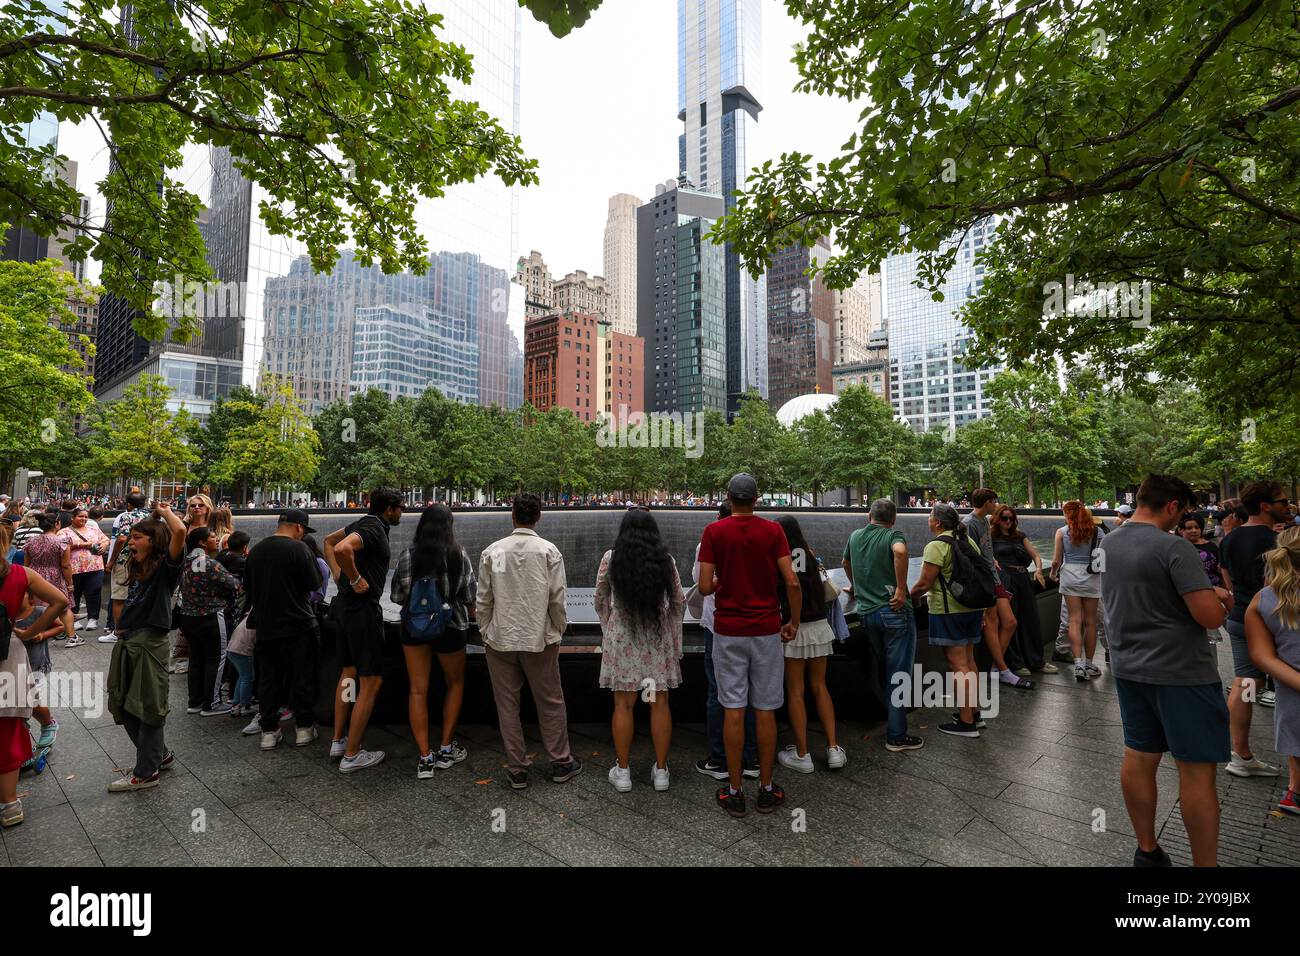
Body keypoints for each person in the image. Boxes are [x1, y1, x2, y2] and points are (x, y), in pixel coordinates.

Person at [1100, 474, 1233, 867]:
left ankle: (1147, 851)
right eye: (1185, 511)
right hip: (1182, 674)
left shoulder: (1109, 541)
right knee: (1195, 773)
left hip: (1128, 670)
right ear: (1173, 506)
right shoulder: (1174, 547)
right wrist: (1221, 598)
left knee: (1140, 755)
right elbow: (1208, 617)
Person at [697, 473, 799, 817]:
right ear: (757, 499)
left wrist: (726, 578)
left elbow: (706, 587)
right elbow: (792, 581)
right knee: (766, 708)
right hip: (767, 630)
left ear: (728, 497)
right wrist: (793, 621)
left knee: (733, 708)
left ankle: (735, 790)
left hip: (728, 632)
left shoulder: (714, 532)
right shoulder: (774, 532)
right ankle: (767, 789)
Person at [477, 492, 580, 790]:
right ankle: (561, 762)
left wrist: (486, 630)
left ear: (512, 515)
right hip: (540, 638)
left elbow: (483, 599)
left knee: (507, 705)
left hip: (500, 639)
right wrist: (556, 630)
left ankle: (517, 768)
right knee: (550, 700)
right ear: (538, 517)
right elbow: (557, 599)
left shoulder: (493, 552)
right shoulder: (549, 551)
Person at [594, 508, 684, 792]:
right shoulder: (665, 561)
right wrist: (674, 633)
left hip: (623, 639)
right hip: (656, 639)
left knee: (623, 705)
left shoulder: (611, 558)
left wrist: (609, 627)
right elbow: (679, 600)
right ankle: (660, 771)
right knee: (659, 704)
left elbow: (599, 598)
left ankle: (623, 772)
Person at [390, 504, 476, 779]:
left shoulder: (408, 555)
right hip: (451, 626)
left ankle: (425, 757)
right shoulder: (458, 554)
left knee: (418, 689)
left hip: (414, 629)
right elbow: (469, 594)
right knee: (455, 683)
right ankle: (446, 749)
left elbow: (397, 596)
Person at [105, 503, 187, 792]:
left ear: (154, 542)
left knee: (147, 707)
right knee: (123, 703)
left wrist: (163, 511)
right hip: (129, 640)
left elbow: (179, 530)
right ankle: (159, 755)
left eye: (138, 537)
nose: (131, 541)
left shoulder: (167, 568)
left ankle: (146, 771)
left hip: (150, 643)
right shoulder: (140, 565)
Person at [325, 488, 403, 772]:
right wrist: (355, 578)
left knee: (348, 673)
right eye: (400, 508)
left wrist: (338, 574)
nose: (402, 514)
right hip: (362, 611)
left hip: (344, 609)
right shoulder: (372, 528)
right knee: (371, 681)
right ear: (390, 509)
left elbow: (330, 541)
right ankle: (352, 754)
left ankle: (338, 740)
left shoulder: (363, 522)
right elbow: (341, 548)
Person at [1218, 480, 1289, 776]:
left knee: (1247, 681)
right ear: (1265, 506)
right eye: (1282, 502)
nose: (1287, 506)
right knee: (1281, 681)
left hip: (1238, 617)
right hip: (1268, 620)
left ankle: (1241, 753)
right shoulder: (1275, 542)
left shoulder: (1230, 538)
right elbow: (1273, 586)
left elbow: (1225, 575)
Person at [843, 497, 922, 751]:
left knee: (887, 671)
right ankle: (896, 736)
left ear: (869, 516)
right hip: (894, 613)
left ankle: (890, 721)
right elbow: (900, 551)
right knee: (898, 675)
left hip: (868, 615)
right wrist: (901, 589)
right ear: (893, 519)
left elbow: (846, 562)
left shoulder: (855, 536)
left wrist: (855, 586)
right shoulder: (893, 535)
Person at [0, 539, 69, 827]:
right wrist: (27, 634)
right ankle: (9, 805)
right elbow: (61, 602)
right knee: (7, 728)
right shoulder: (20, 575)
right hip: (7, 655)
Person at [243, 509, 323, 749]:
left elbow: (247, 586)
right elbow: (314, 583)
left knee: (269, 679)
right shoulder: (299, 549)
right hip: (299, 625)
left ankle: (269, 730)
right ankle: (304, 729)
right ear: (299, 527)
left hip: (266, 627)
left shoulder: (256, 551)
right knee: (303, 677)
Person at [692, 502, 760, 780]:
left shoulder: (709, 539)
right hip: (756, 624)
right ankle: (752, 760)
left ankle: (720, 760)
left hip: (719, 625)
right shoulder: (763, 536)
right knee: (753, 693)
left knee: (719, 692)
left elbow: (700, 582)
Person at [910, 504, 988, 737]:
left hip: (948, 611)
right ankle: (973, 713)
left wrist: (904, 596)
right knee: (969, 661)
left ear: (938, 523)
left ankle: (966, 724)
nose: (928, 520)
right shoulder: (967, 540)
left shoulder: (936, 546)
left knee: (958, 665)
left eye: (930, 517)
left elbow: (924, 583)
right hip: (972, 608)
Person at [774, 515, 844, 773]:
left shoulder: (778, 559)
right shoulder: (810, 555)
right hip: (819, 628)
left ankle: (802, 755)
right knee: (819, 686)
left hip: (794, 630)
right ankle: (834, 749)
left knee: (795, 691)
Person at [1244, 526, 1300, 815]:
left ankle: (1294, 793)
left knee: (1296, 739)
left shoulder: (1264, 599)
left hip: (1291, 688)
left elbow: (1261, 656)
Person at [964, 489, 1028, 688]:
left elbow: (984, 551)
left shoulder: (984, 521)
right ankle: (1003, 670)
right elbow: (968, 558)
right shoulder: (968, 524)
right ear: (988, 502)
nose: (997, 505)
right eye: (994, 501)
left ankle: (995, 668)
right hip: (983, 582)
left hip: (994, 578)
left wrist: (991, 559)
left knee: (1009, 622)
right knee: (993, 623)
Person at [177, 526, 242, 717]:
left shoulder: (186, 561)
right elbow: (234, 585)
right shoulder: (208, 563)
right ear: (202, 543)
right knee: (216, 658)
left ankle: (195, 701)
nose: (217, 539)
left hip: (187, 617)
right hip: (210, 616)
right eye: (213, 537)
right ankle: (212, 703)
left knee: (196, 659)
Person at [990, 505, 1055, 675]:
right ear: (997, 519)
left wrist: (1039, 570)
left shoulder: (1019, 535)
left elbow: (1035, 555)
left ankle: (1036, 661)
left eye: (1011, 518)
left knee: (1030, 618)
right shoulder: (991, 537)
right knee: (1010, 622)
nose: (1008, 522)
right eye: (1004, 518)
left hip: (1023, 578)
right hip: (1005, 579)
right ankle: (1016, 664)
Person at [1051, 501, 1103, 681]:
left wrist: (1052, 573)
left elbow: (1057, 560)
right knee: (1090, 622)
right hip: (1091, 578)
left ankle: (1078, 664)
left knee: (1074, 620)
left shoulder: (1062, 532)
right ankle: (1089, 663)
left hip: (1070, 575)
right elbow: (1101, 559)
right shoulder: (1097, 531)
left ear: (1067, 514)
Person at [23, 512, 77, 646]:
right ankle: (71, 637)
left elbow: (26, 563)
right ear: (57, 524)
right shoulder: (62, 542)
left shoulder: (31, 541)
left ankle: (34, 632)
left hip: (35, 575)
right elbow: (65, 565)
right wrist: (70, 584)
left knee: (36, 605)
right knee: (64, 606)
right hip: (55, 575)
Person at [105, 489, 150, 645]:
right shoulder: (153, 518)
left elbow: (122, 538)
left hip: (126, 559)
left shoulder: (127, 516)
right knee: (142, 595)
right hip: (147, 561)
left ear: (129, 504)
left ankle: (119, 631)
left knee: (119, 597)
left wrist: (111, 561)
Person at [60, 507, 109, 634]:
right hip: (74, 568)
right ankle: (74, 618)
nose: (84, 519)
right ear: (72, 517)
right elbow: (61, 546)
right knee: (74, 593)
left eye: (86, 517)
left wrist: (104, 545)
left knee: (94, 592)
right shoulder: (64, 532)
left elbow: (105, 539)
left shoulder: (94, 529)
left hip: (95, 566)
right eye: (80, 516)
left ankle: (93, 618)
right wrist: (84, 545)